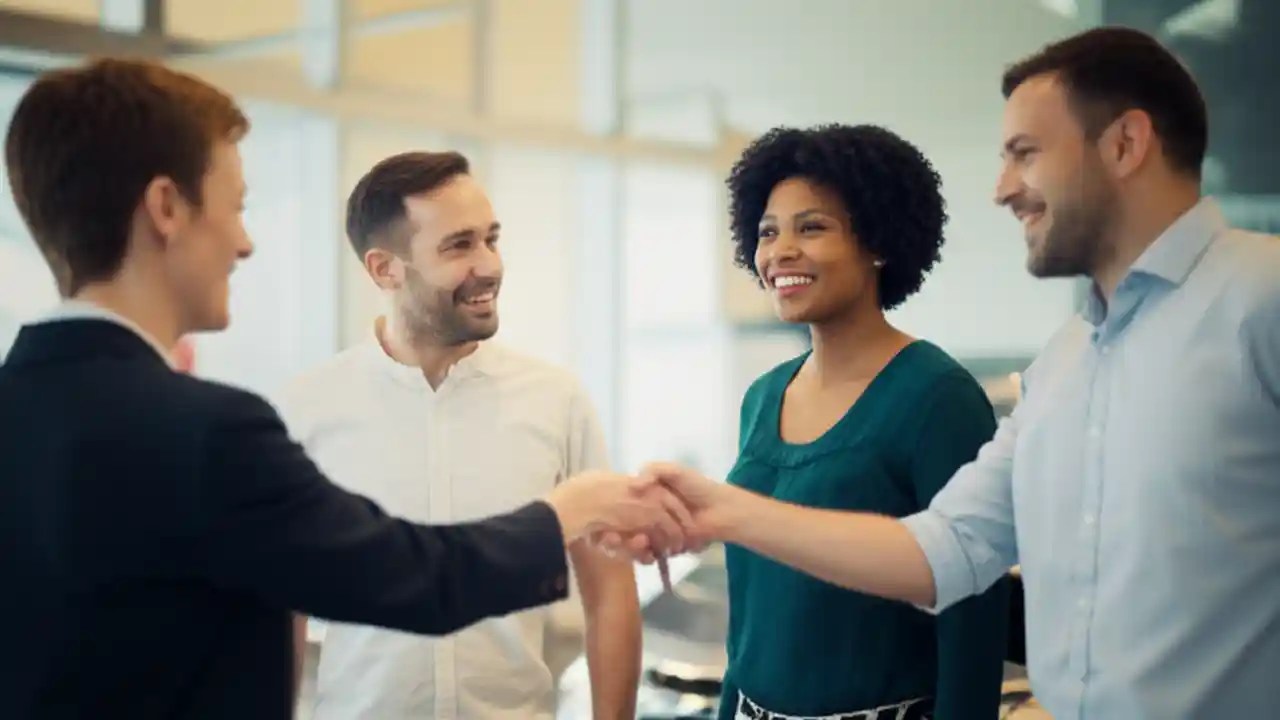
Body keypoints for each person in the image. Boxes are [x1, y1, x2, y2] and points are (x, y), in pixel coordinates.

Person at [0, 58, 685, 719]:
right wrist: (571, 509)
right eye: (235, 207)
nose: (245, 244)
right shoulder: (217, 431)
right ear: (166, 208)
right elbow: (418, 576)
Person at [634, 27, 1280, 719]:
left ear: (1125, 144)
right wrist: (721, 510)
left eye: (1024, 154)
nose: (1003, 189)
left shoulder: (1261, 298)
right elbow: (947, 551)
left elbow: (969, 618)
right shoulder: (1068, 362)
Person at [280, 151, 641, 720]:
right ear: (384, 269)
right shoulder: (306, 410)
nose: (489, 265)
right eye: (459, 245)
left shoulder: (555, 400)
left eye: (491, 239)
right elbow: (283, 607)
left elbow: (611, 592)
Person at [708, 125, 1008, 720]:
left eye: (811, 227)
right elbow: (748, 621)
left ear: (878, 241)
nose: (780, 251)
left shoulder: (938, 398)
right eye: (768, 232)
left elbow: (974, 619)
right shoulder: (763, 397)